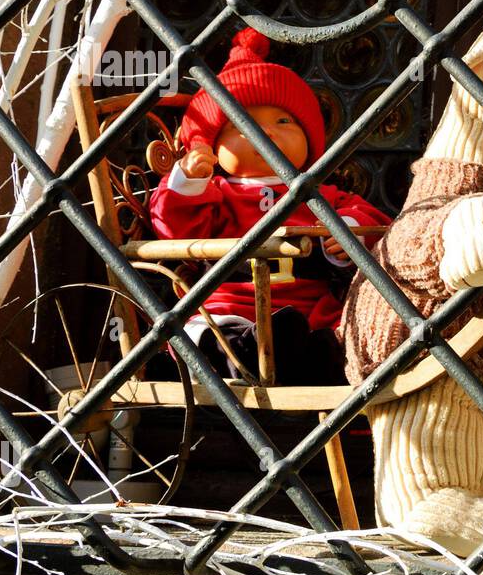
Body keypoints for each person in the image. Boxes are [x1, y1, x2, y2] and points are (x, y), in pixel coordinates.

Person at [149, 28, 391, 384]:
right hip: (230, 301)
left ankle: (314, 362)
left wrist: (348, 230)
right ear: (214, 146)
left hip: (309, 306)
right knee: (208, 333)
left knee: (340, 333)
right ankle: (237, 361)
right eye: (244, 125)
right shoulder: (214, 193)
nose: (268, 133)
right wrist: (187, 184)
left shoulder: (318, 194)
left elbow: (371, 219)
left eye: (283, 122)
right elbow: (172, 227)